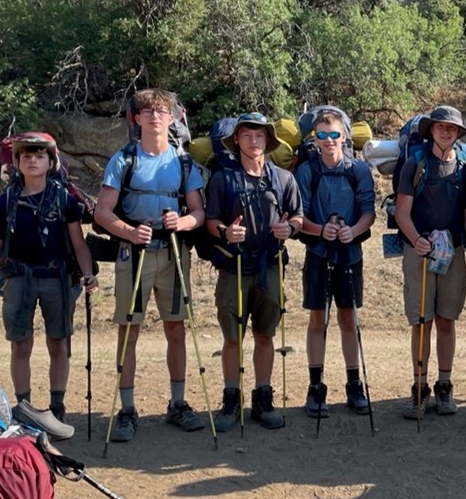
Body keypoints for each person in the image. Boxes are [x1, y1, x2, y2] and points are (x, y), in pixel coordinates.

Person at [92, 89, 207, 442]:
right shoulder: (123, 160)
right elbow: (102, 212)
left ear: (172, 118)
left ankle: (178, 403)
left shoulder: (184, 162)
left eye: (161, 111)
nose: (155, 116)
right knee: (129, 331)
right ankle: (127, 410)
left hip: (173, 253)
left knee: (176, 329)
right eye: (147, 111)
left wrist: (182, 223)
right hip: (134, 255)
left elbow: (199, 213)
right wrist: (130, 231)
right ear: (136, 119)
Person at [0, 132, 96, 440]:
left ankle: (56, 405)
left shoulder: (65, 199)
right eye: (26, 156)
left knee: (58, 342)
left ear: (51, 162)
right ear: (17, 164)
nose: (32, 160)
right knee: (20, 343)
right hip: (18, 279)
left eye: (39, 156)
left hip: (57, 278)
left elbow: (78, 244)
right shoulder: (4, 202)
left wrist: (88, 273)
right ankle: (23, 406)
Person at [203, 113, 304, 432]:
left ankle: (263, 397)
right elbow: (211, 220)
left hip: (270, 265)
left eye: (259, 135)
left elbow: (298, 216)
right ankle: (231, 399)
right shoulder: (223, 179)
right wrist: (223, 232)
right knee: (232, 337)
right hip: (234, 266)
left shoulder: (284, 179)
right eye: (246, 135)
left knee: (266, 334)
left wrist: (289, 228)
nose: (253, 140)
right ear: (236, 140)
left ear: (268, 141)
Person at [394, 105, 466, 420]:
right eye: (440, 127)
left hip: (453, 250)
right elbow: (401, 212)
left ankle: (444, 386)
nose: (446, 132)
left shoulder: (465, 166)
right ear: (431, 130)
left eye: (452, 129)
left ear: (458, 133)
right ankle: (419, 389)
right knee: (421, 320)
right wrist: (417, 239)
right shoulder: (414, 165)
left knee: (447, 319)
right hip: (419, 249)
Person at [293, 107, 376, 419]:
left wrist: (352, 231)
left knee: (348, 319)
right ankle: (316, 387)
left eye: (334, 135)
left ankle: (354, 384)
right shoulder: (307, 171)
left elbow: (369, 212)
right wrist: (320, 230)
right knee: (318, 320)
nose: (329, 141)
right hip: (318, 253)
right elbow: (297, 216)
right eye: (322, 135)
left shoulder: (359, 170)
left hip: (350, 253)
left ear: (344, 137)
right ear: (315, 138)